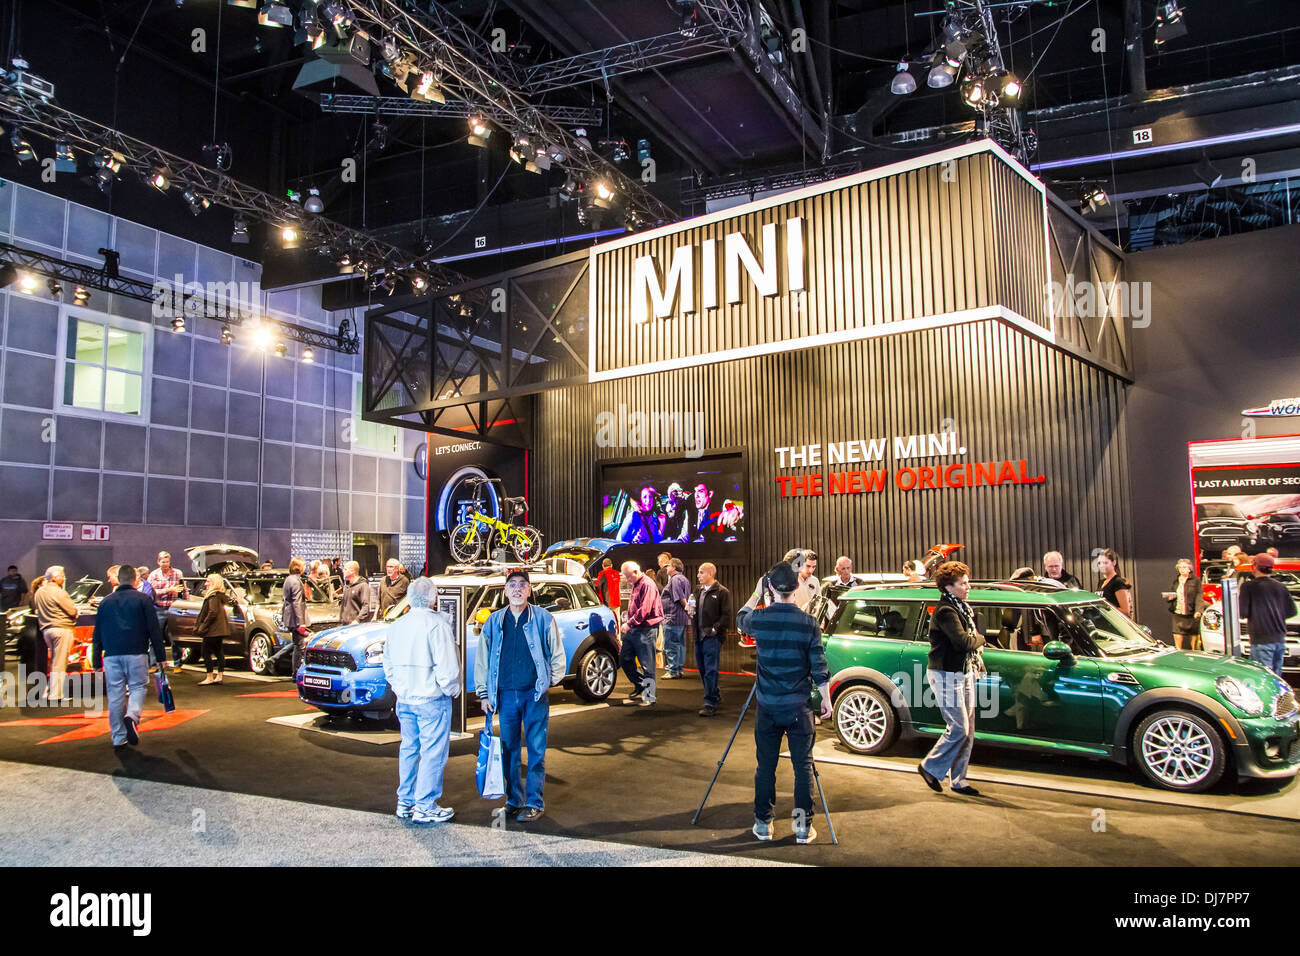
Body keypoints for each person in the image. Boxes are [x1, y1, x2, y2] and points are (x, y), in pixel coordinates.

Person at [748, 561, 831, 844]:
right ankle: (802, 828)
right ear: (797, 587)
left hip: (768, 707)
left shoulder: (759, 619)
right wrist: (827, 701)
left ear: (770, 587)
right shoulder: (809, 623)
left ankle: (763, 825)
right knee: (802, 767)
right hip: (799, 707)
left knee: (765, 767)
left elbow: (740, 617)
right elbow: (819, 667)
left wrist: (759, 593)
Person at [475, 569, 565, 822]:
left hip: (534, 696)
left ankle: (535, 801)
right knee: (509, 750)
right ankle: (514, 800)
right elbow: (483, 659)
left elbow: (556, 652)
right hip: (505, 696)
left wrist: (550, 681)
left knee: (537, 750)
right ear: (505, 590)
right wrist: (484, 693)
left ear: (529, 590)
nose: (517, 589)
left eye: (522, 585)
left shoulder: (543, 618)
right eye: (512, 584)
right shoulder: (494, 621)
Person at [385, 577, 460, 824]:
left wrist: (400, 688)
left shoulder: (397, 626)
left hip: (405, 699)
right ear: (433, 597)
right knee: (432, 753)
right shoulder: (436, 625)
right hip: (431, 699)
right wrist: (451, 688)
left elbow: (388, 665)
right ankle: (425, 805)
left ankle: (405, 802)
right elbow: (446, 666)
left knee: (409, 749)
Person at [917, 561, 985, 796]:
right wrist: (981, 639)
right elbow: (964, 642)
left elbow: (968, 639)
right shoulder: (946, 611)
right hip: (945, 674)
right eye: (963, 583)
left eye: (968, 582)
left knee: (969, 729)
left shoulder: (963, 608)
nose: (968, 587)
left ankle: (959, 780)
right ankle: (929, 766)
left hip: (964, 671)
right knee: (959, 727)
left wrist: (974, 638)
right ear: (948, 587)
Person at [91, 565, 167, 748]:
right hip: (137, 652)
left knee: (115, 695)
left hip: (111, 655)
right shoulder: (143, 600)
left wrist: (95, 661)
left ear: (119, 578)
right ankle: (132, 716)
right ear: (135, 579)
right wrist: (161, 657)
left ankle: (118, 737)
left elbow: (97, 634)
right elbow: (154, 630)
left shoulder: (105, 602)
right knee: (138, 687)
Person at [1239, 552, 1297, 677]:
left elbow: (1243, 613)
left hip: (1261, 639)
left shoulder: (1248, 587)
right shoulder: (1281, 587)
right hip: (1279, 639)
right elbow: (1292, 611)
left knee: (1263, 677)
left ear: (1254, 566)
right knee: (1276, 677)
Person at [619, 561, 663, 707]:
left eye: (628, 576)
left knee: (647, 665)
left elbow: (645, 610)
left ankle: (650, 697)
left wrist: (629, 623)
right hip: (635, 628)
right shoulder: (637, 583)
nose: (627, 579)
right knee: (624, 659)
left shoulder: (647, 584)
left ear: (636, 572)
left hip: (646, 630)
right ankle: (640, 685)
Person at [33, 565, 78, 702]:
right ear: (55, 577)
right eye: (62, 576)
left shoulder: (39, 592)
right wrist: (75, 613)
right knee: (59, 663)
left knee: (53, 662)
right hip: (61, 629)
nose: (64, 578)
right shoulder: (59, 592)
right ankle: (56, 695)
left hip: (46, 630)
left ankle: (48, 692)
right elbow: (72, 611)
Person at [693, 562, 731, 716]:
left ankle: (710, 703)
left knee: (710, 670)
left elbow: (726, 615)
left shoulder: (722, 592)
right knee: (702, 670)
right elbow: (693, 608)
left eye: (701, 572)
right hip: (698, 636)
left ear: (710, 574)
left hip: (712, 637)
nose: (698, 575)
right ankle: (714, 694)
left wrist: (715, 629)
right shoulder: (697, 590)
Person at [147, 551, 187, 670]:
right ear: (158, 562)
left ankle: (177, 664)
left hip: (174, 609)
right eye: (163, 562)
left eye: (167, 561)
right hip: (159, 609)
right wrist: (168, 590)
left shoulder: (178, 573)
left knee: (175, 637)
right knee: (155, 637)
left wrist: (185, 603)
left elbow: (184, 590)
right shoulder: (154, 575)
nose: (165, 564)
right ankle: (154, 664)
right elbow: (151, 593)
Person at [195, 573, 234, 684]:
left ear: (214, 583)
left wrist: (203, 626)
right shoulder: (221, 595)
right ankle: (219, 676)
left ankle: (210, 677)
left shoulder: (212, 596)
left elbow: (212, 612)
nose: (206, 583)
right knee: (218, 651)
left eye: (208, 581)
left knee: (205, 652)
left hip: (213, 630)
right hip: (220, 629)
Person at [1166, 557, 1206, 649]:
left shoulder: (1195, 580)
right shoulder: (1176, 581)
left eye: (1184, 567)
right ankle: (1178, 650)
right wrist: (1170, 597)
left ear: (1189, 568)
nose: (1182, 569)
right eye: (1180, 567)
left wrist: (1198, 610)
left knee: (1193, 633)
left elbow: (1199, 595)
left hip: (1191, 612)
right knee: (1177, 632)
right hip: (1178, 611)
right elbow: (1173, 593)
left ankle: (1194, 650)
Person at [661, 558, 691, 679]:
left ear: (673, 567)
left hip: (672, 617)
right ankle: (678, 669)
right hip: (680, 617)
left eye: (668, 566)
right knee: (679, 644)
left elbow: (680, 597)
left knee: (671, 644)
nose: (667, 568)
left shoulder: (675, 579)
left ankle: (672, 670)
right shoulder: (684, 578)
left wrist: (687, 607)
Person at [282, 557, 311, 673]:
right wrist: (301, 622)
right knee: (300, 647)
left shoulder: (289, 579)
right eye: (303, 566)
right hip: (296, 619)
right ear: (299, 567)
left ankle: (295, 672)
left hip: (291, 617)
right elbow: (297, 602)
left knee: (296, 645)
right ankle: (297, 673)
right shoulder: (295, 581)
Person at [1096, 549, 1133, 617]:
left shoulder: (1117, 582)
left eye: (1105, 563)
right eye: (1099, 563)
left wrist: (1106, 606)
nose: (1101, 566)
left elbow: (1126, 612)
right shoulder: (1101, 582)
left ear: (1114, 563)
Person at [593, 557, 621, 622]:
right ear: (611, 565)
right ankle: (618, 632)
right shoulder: (616, 573)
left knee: (609, 621)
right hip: (617, 602)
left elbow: (597, 586)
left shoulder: (603, 573)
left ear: (603, 565)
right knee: (617, 620)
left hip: (608, 603)